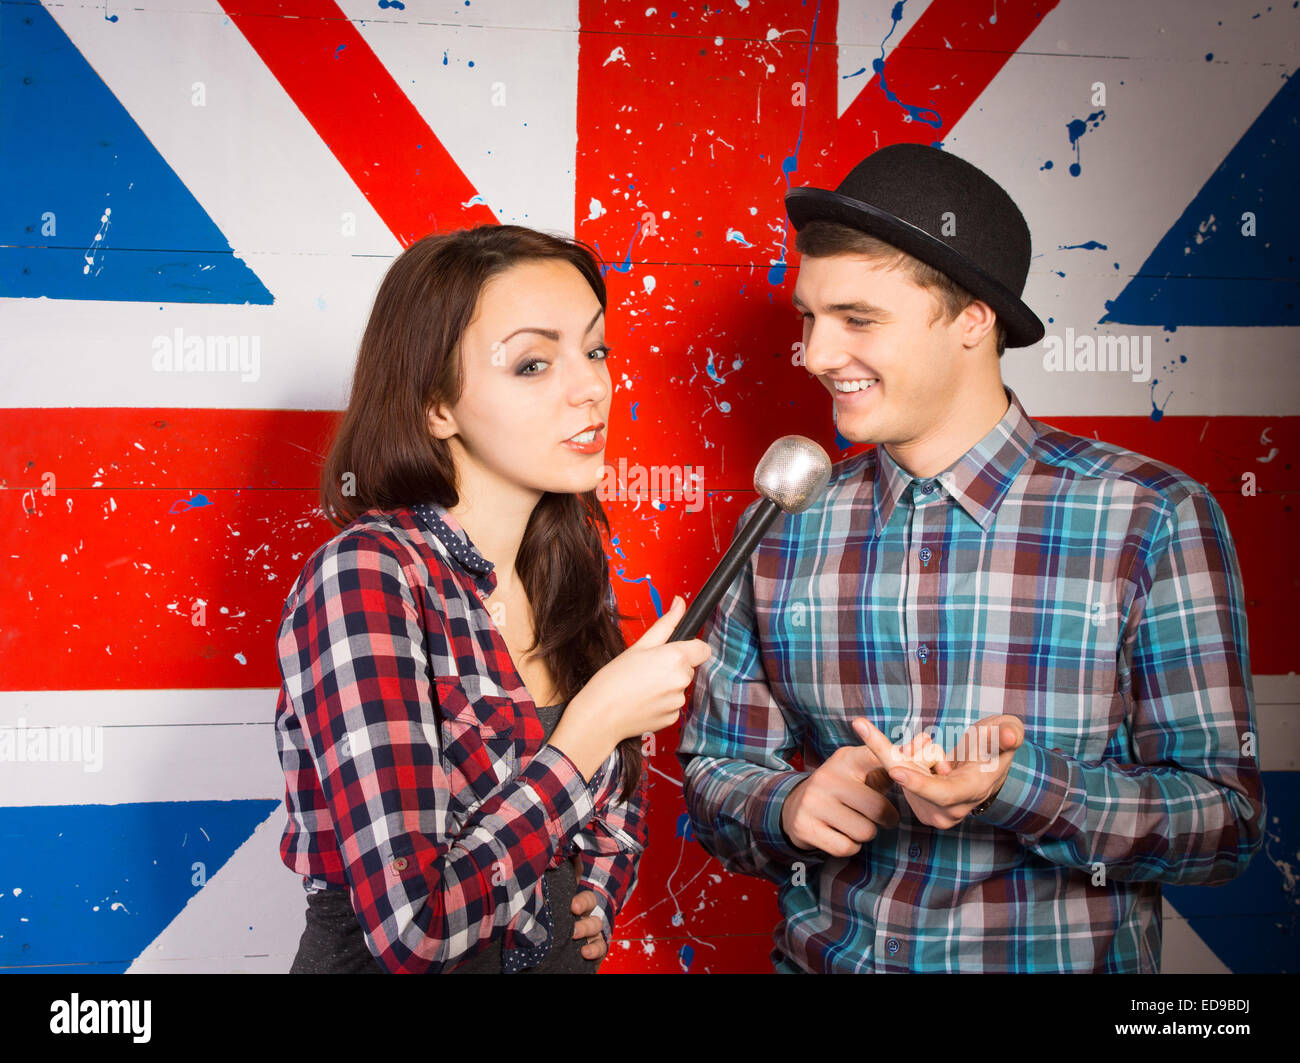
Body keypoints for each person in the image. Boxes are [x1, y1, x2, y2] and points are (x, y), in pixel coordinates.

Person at [677, 143, 1265, 973]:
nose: (814, 354)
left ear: (972, 319)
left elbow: (1226, 825)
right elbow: (714, 769)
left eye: (859, 319)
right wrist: (787, 804)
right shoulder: (783, 521)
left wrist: (1015, 788)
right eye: (810, 317)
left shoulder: (1151, 517)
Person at [275, 224, 711, 973]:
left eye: (596, 349)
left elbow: (614, 813)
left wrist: (595, 893)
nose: (591, 386)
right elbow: (417, 926)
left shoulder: (565, 566)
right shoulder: (369, 578)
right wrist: (590, 727)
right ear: (436, 405)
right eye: (534, 362)